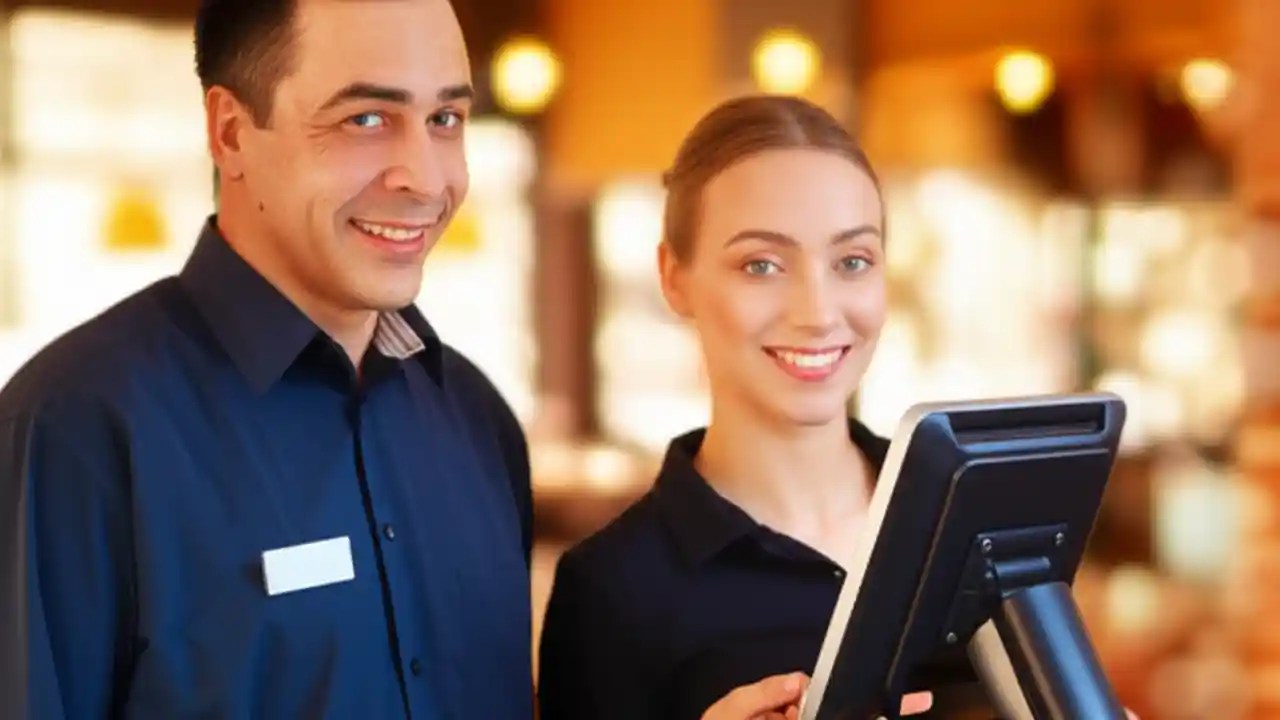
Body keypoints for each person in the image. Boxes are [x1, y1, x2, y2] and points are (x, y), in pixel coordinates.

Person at [0, 1, 534, 717]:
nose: (427, 179)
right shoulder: (75, 426)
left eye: (446, 120)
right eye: (366, 120)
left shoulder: (478, 420)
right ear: (230, 133)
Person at [536, 95, 956, 719]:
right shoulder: (613, 589)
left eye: (852, 261)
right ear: (674, 278)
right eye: (761, 265)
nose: (817, 312)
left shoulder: (963, 513)